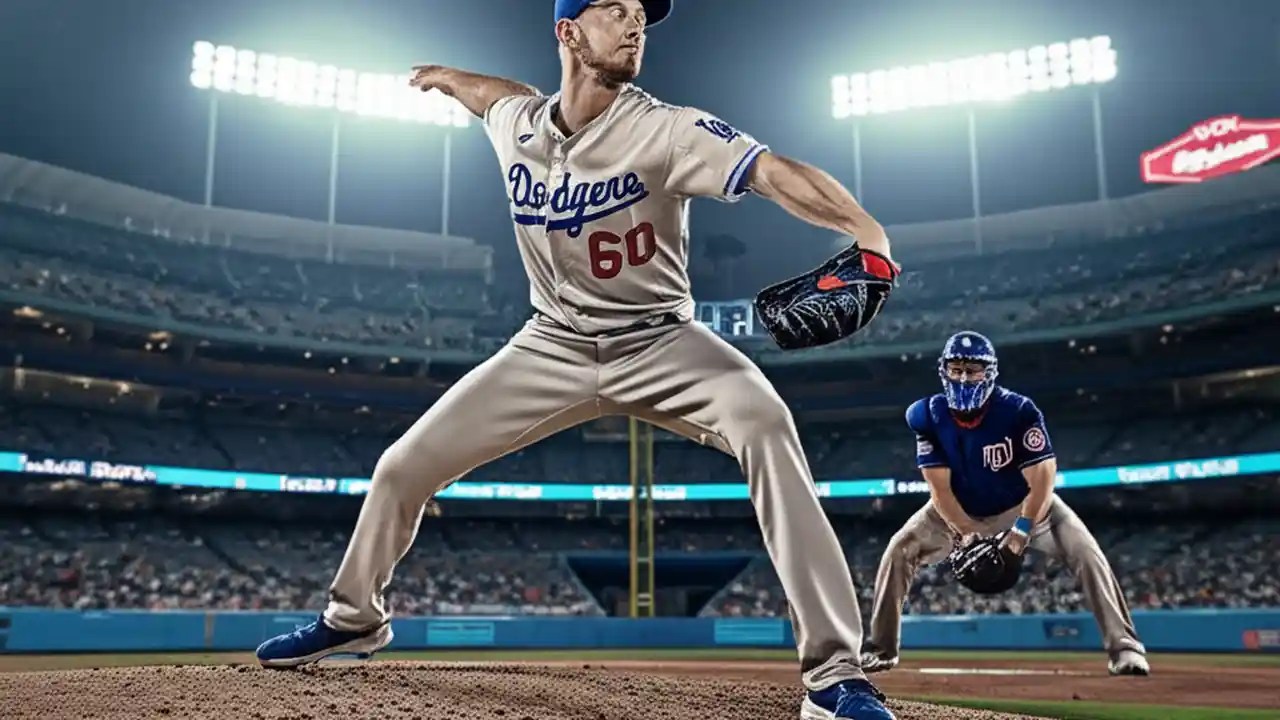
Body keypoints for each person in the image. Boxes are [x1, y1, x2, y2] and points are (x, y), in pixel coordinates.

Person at [256, 2, 898, 717]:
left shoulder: (668, 130)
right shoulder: (518, 123)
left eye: (641, 14)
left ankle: (834, 674)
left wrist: (866, 231)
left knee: (768, 427)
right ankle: (353, 617)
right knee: (402, 467)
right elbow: (491, 95)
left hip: (661, 342)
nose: (635, 24)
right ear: (567, 32)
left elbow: (774, 173)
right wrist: (448, 77)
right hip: (549, 345)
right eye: (615, 10)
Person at [859, 331, 1150, 677]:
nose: (963, 378)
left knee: (1087, 553)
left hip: (1024, 505)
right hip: (956, 510)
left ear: (990, 372)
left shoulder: (1018, 410)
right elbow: (940, 490)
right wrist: (966, 532)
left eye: (972, 370)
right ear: (944, 370)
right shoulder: (926, 415)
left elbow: (1042, 478)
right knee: (899, 550)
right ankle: (881, 648)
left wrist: (1021, 531)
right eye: (956, 369)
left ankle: (1125, 647)